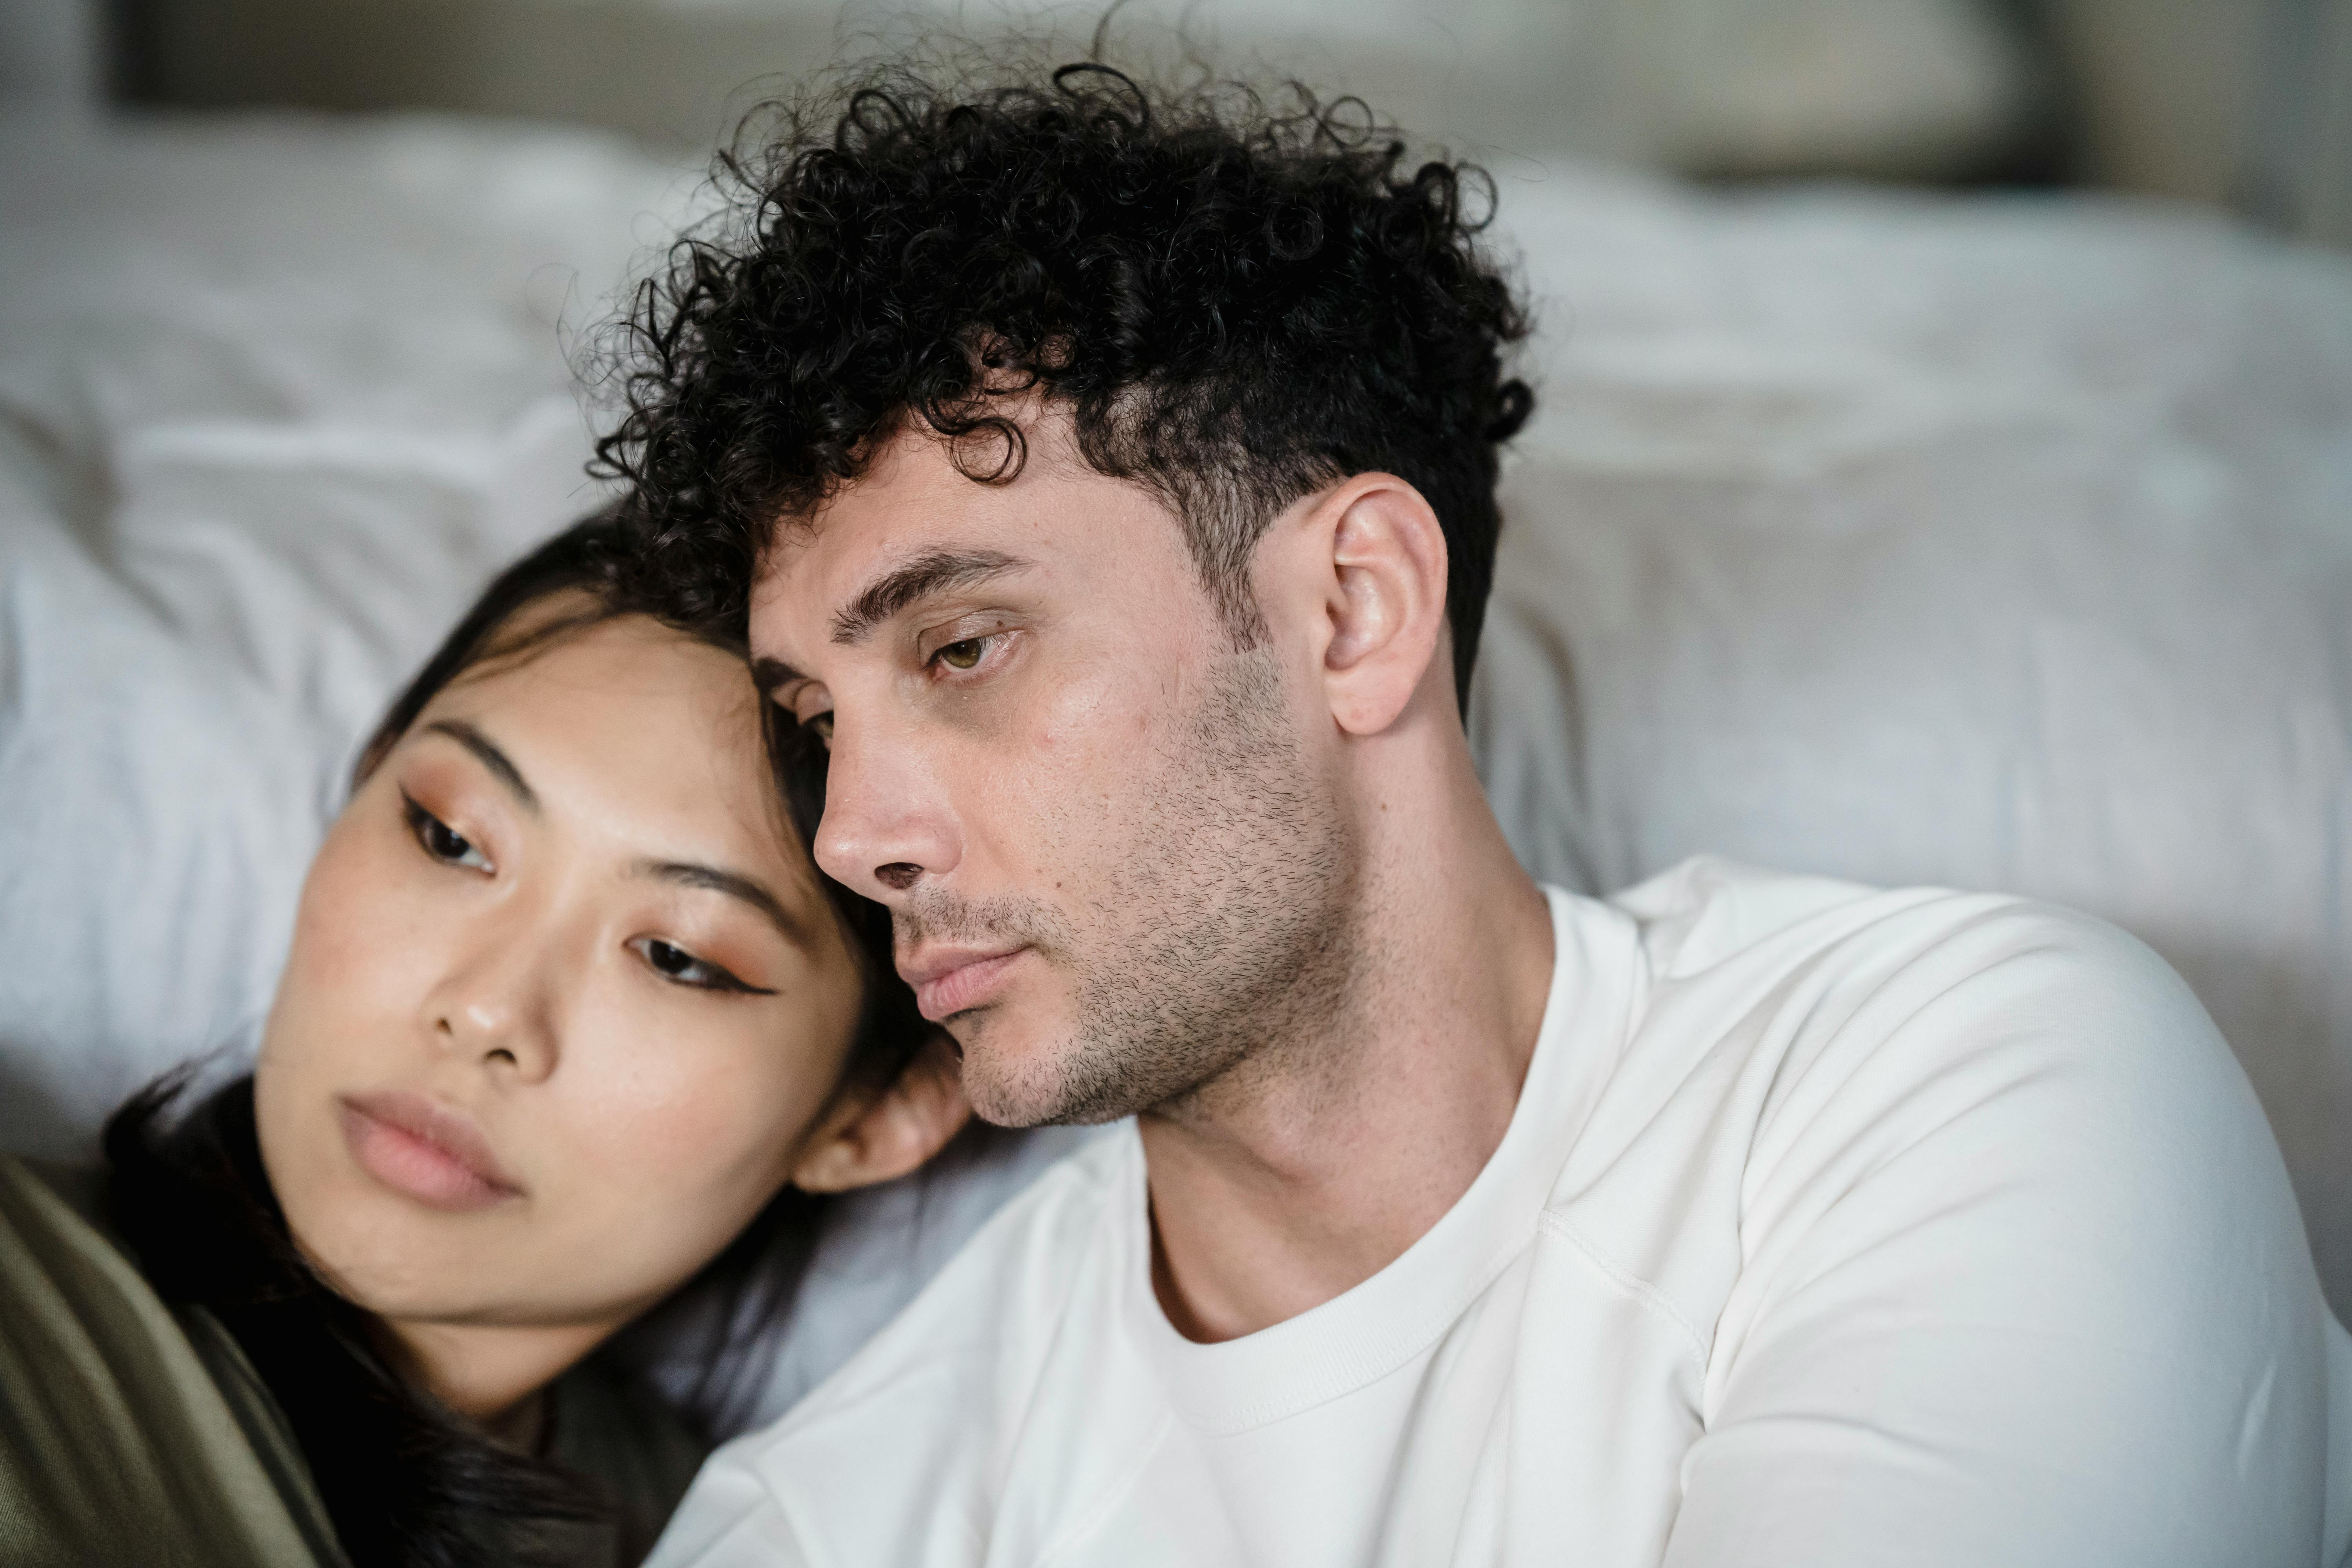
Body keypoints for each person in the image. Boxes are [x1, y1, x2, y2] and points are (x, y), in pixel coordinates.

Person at [606, 61, 2352, 1568]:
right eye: (819, 722)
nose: (851, 835)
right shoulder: (836, 1515)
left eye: (965, 646)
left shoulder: (1955, 1090)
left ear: (1354, 609)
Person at [0, 515, 968, 1568]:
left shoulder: (759, 1535)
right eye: (451, 839)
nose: (489, 1010)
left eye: (677, 958)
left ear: (874, 1117)